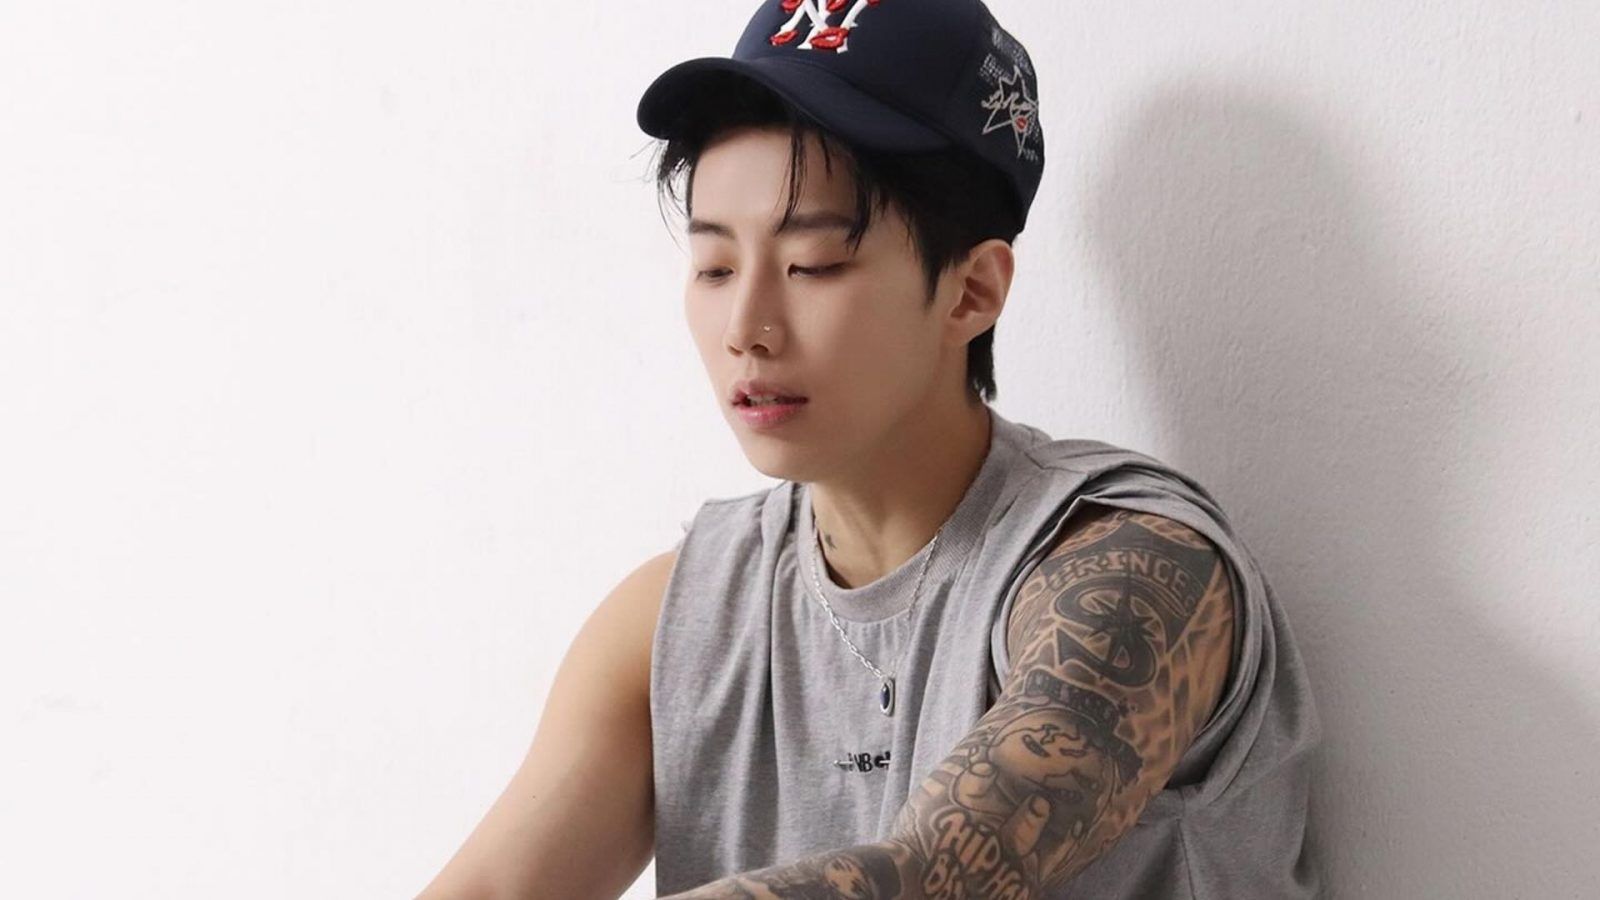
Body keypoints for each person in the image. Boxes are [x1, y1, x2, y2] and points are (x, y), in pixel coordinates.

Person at [417, 1, 1323, 898]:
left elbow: (942, 874)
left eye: (812, 265)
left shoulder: (1131, 569)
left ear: (971, 292)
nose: (745, 327)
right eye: (715, 267)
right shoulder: (677, 623)